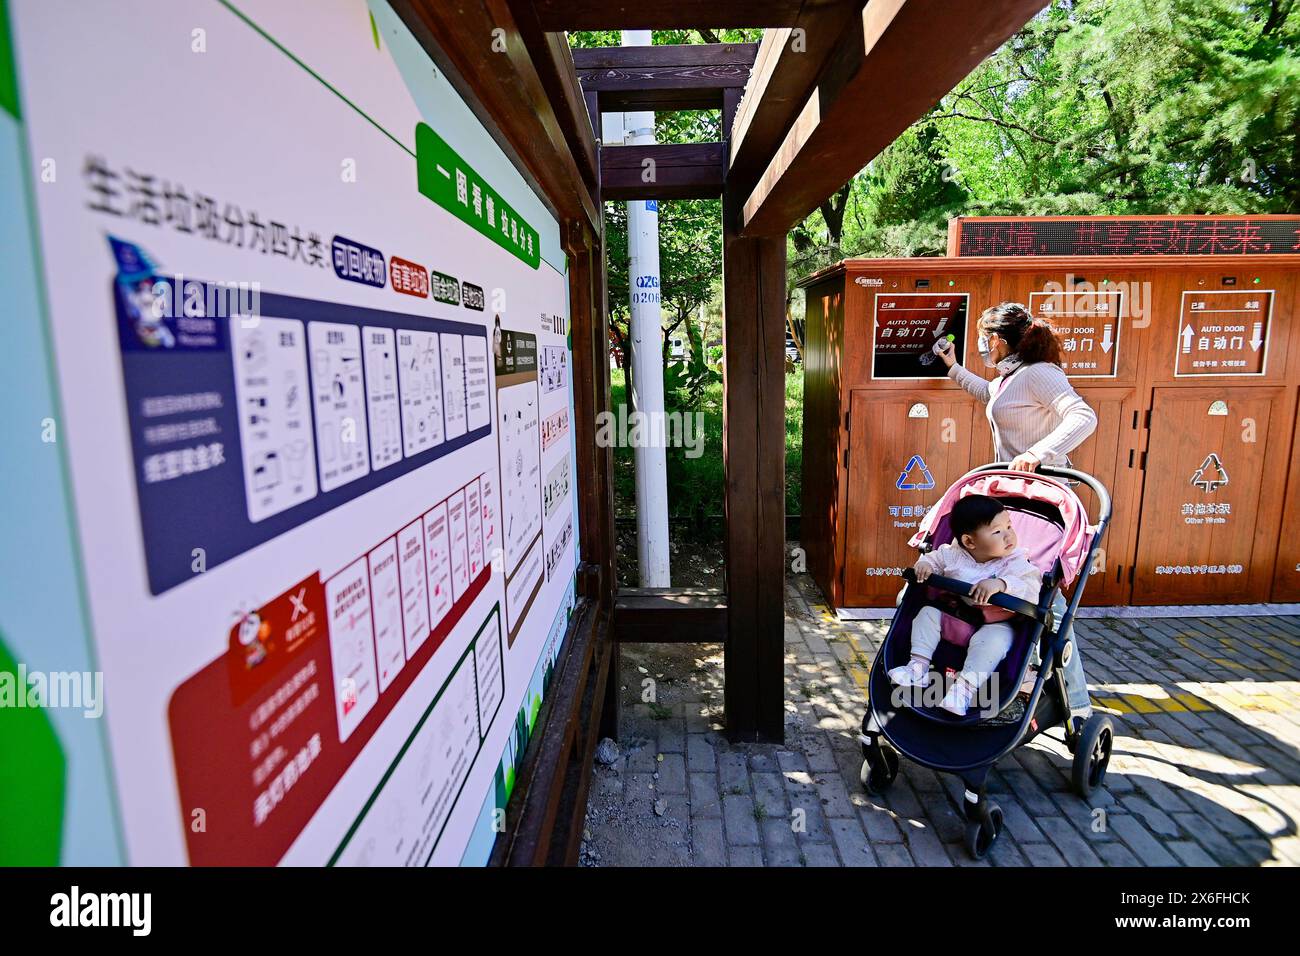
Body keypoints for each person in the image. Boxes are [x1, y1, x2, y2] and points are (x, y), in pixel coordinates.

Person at [935, 302, 1097, 726]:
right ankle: (1001, 675)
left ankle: (1077, 706)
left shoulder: (1041, 373)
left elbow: (1083, 415)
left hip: (1041, 502)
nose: (982, 347)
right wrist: (952, 367)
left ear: (997, 339)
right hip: (1010, 498)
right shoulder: (1011, 378)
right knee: (998, 592)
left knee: (1047, 604)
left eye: (983, 339)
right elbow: (989, 395)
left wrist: (1036, 454)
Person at [889, 495, 1042, 716]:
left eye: (1009, 526)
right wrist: (924, 564)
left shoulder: (1015, 561)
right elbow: (934, 559)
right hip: (957, 618)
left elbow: (1030, 587)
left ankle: (963, 690)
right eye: (997, 531)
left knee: (996, 640)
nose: (1009, 535)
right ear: (970, 542)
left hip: (995, 624)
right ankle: (918, 667)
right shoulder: (953, 554)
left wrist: (1002, 584)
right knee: (927, 613)